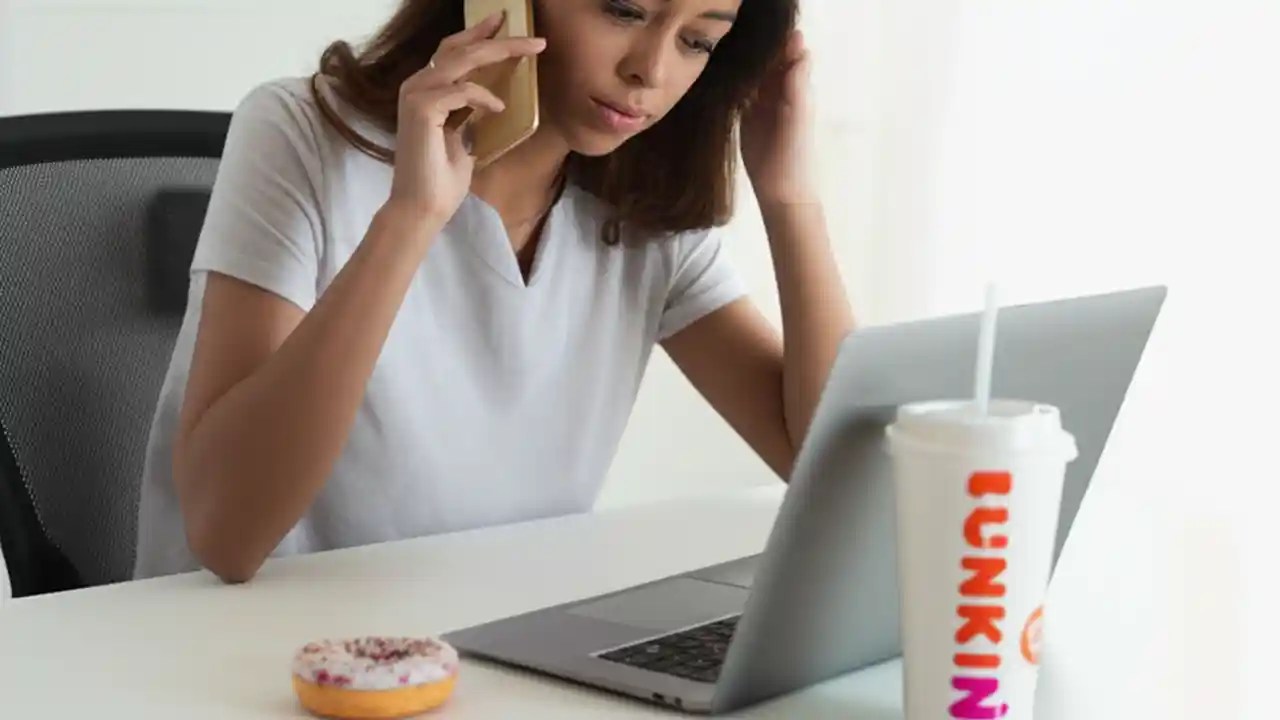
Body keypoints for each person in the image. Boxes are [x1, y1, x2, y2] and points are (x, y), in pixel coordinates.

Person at [132, 0, 854, 583]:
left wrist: (791, 198)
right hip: (250, 659)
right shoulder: (303, 135)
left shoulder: (644, 215)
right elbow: (226, 537)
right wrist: (411, 217)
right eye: (623, 11)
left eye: (698, 41)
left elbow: (828, 463)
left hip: (488, 652)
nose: (650, 70)